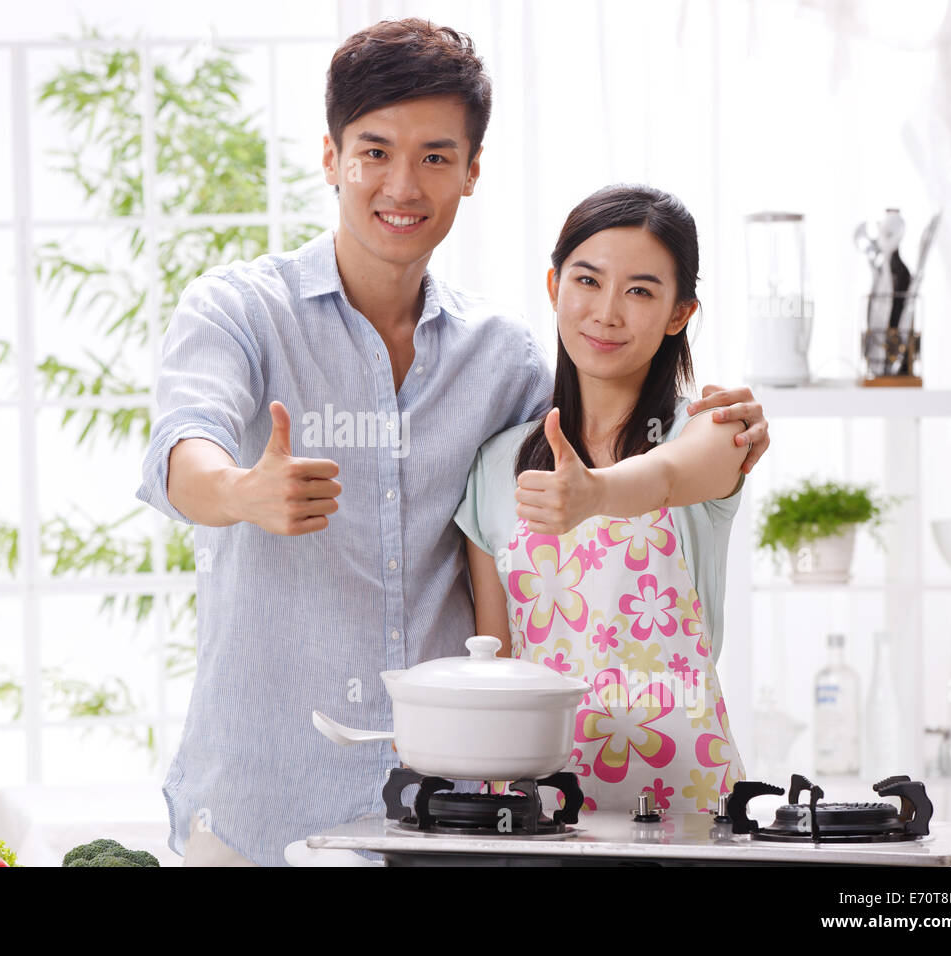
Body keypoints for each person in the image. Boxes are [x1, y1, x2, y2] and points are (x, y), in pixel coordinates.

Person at [136, 19, 769, 866]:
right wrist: (239, 492)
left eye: (436, 155)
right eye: (374, 151)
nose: (403, 183)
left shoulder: (502, 358)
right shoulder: (242, 311)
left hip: (457, 817)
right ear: (331, 159)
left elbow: (616, 424)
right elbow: (186, 446)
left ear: (472, 172)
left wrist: (728, 431)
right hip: (262, 801)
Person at [454, 184, 749, 815]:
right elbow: (498, 662)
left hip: (688, 814)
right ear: (555, 286)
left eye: (640, 290)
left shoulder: (709, 429)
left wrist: (594, 494)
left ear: (680, 313)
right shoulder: (494, 466)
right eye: (587, 280)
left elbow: (666, 477)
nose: (607, 312)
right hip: (539, 807)